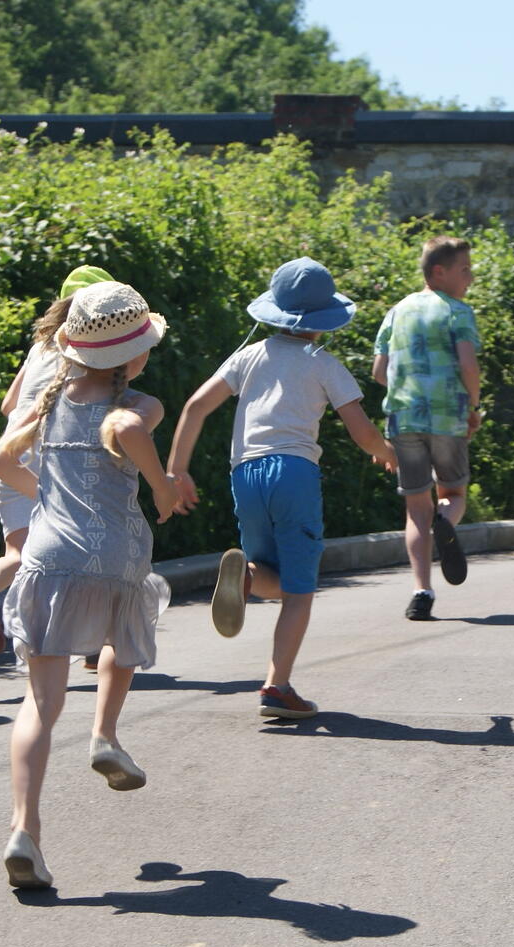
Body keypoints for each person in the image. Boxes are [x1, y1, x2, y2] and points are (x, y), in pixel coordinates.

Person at [0, 280, 177, 889]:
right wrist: (166, 489)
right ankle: (105, 735)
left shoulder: (48, 400)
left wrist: (43, 499)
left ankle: (24, 832)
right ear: (133, 354)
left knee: (40, 704)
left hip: (48, 555)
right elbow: (134, 437)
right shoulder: (138, 407)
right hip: (114, 555)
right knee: (124, 630)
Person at [167, 258, 396, 719]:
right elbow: (361, 431)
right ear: (323, 321)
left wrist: (177, 472)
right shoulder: (323, 363)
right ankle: (277, 686)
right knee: (300, 589)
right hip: (293, 473)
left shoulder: (249, 357)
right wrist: (387, 452)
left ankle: (246, 577)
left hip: (244, 473)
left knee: (268, 573)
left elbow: (194, 407)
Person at [0, 265, 113, 657]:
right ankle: (94, 641)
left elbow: (9, 404)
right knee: (95, 544)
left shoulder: (39, 347)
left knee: (18, 556)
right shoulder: (90, 350)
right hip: (57, 460)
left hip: (13, 453)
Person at [372, 235, 482, 621]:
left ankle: (422, 592)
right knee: (452, 493)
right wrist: (474, 404)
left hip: (404, 421)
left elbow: (379, 372)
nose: (470, 278)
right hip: (448, 418)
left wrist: (408, 391)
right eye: (464, 270)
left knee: (415, 507)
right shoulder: (458, 311)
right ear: (440, 271)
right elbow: (468, 365)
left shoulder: (396, 312)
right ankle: (446, 522)